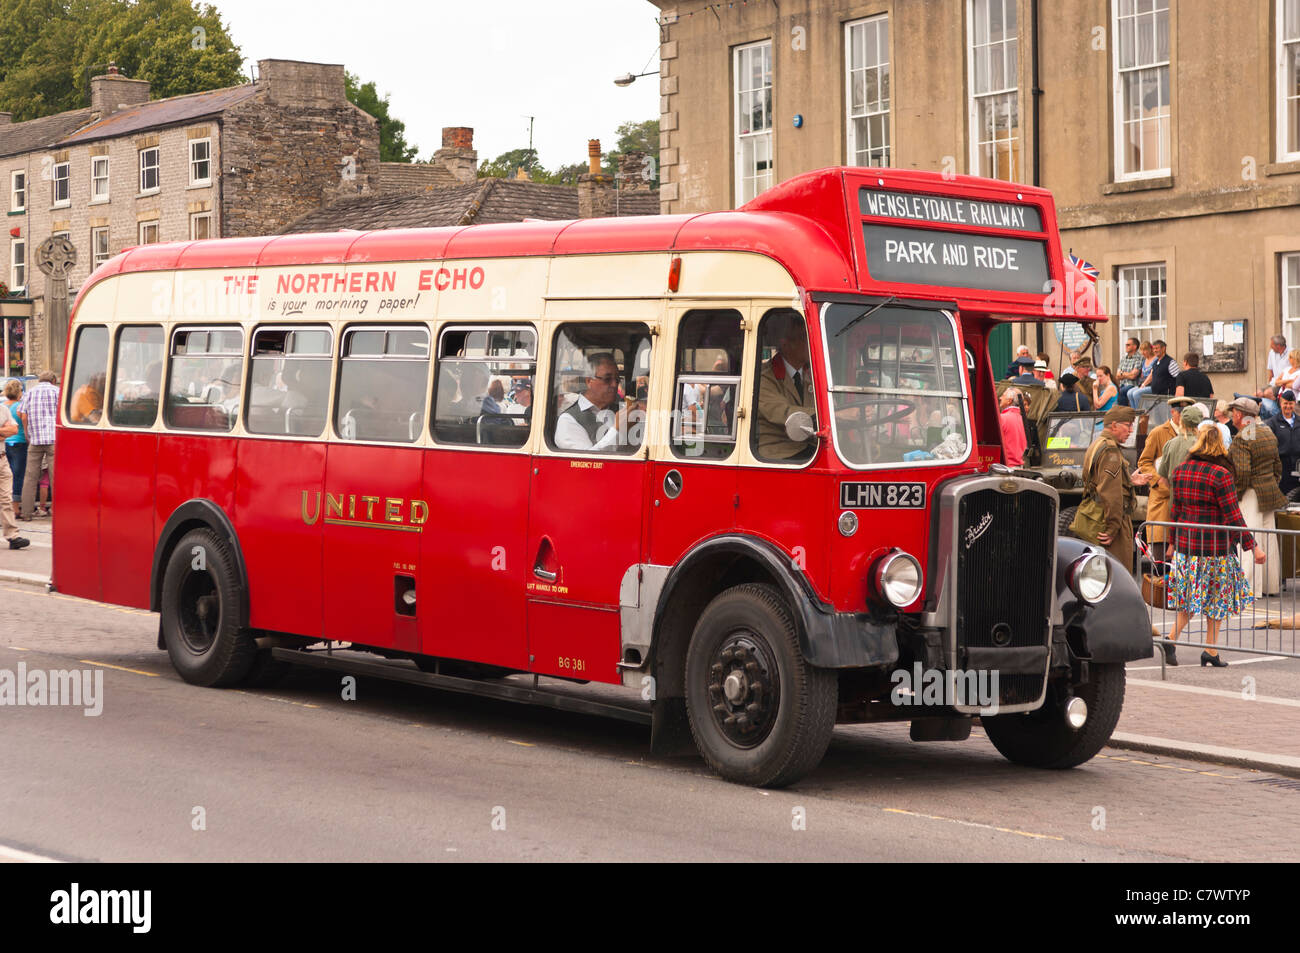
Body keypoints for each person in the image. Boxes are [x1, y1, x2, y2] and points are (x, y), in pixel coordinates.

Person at [1164, 425, 1259, 668]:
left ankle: (1195, 646)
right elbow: (1234, 516)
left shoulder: (1180, 471)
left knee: (1189, 600)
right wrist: (1253, 546)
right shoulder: (1220, 475)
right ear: (1221, 446)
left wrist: (1172, 543)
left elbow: (1175, 511)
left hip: (1187, 548)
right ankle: (1202, 647)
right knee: (1216, 600)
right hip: (1215, 549)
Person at [1228, 396, 1286, 598]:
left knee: (1249, 541)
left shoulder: (1244, 436)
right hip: (1269, 490)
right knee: (1269, 540)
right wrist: (1271, 481)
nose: (1231, 416)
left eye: (1233, 412)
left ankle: (1249, 588)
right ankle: (1270, 586)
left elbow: (1242, 472)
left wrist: (1236, 494)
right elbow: (1278, 466)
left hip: (1251, 492)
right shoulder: (1267, 432)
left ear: (1239, 415)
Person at [1085, 405, 1146, 572]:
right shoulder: (1110, 450)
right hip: (1111, 522)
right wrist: (1113, 527)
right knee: (1117, 575)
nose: (1131, 430)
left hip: (1100, 518)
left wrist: (1129, 480)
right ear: (1114, 425)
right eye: (1127, 425)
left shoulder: (1098, 444)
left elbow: (1103, 481)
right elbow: (1110, 494)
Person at [1137, 395, 1191, 561]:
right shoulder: (1158, 432)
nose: (1183, 416)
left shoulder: (1192, 434)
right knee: (1161, 561)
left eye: (1186, 413)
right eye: (1180, 412)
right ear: (1173, 412)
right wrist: (1157, 480)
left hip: (1183, 501)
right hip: (1162, 502)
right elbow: (1144, 461)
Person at [756, 314, 817, 460]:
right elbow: (782, 412)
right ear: (785, 344)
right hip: (778, 451)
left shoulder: (811, 375)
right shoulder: (764, 376)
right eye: (804, 338)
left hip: (810, 447)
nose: (811, 343)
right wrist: (825, 417)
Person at [554, 352, 633, 452]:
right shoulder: (568, 420)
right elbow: (588, 462)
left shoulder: (621, 408)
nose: (614, 385)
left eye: (617, 380)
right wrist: (618, 428)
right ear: (589, 381)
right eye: (607, 379)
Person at [18, 371, 57, 521]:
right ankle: (57, 510)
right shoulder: (57, 391)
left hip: (35, 440)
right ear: (53, 380)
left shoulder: (30, 393)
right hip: (54, 439)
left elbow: (22, 414)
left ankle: (26, 513)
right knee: (55, 477)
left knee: (30, 477)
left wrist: (27, 434)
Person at [0, 399, 30, 549]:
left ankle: (13, 536)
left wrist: (4, 431)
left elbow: (14, 430)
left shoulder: (3, 409)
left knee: (6, 498)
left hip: (2, 459)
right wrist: (2, 430)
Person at [1265, 389, 1300, 496]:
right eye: (1285, 403)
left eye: (1290, 403)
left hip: (1298, 466)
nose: (1288, 406)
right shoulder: (1272, 423)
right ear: (1280, 403)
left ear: (1294, 404)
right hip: (1281, 468)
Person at [1127, 339, 1179, 407]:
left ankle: (1141, 415)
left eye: (1157, 348)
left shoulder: (1170, 362)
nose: (1155, 350)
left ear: (1163, 348)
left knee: (1136, 394)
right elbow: (1152, 375)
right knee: (1129, 393)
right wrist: (1143, 384)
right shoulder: (1156, 362)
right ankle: (1135, 414)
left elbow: (1178, 378)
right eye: (1154, 349)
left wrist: (1176, 394)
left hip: (1165, 394)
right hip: (1155, 390)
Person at [3, 380, 26, 521]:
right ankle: (15, 508)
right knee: (17, 476)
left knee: (6, 477)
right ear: (18, 392)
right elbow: (24, 422)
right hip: (19, 443)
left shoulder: (2, 406)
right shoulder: (20, 406)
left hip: (5, 443)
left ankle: (6, 506)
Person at [999, 387, 1028, 466]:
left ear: (1009, 401)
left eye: (1003, 395)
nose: (1000, 398)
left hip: (1006, 468)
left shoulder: (1002, 418)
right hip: (1020, 467)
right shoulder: (1023, 420)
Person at [1116, 337, 1144, 406]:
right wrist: (1127, 374)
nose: (1126, 346)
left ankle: (1124, 414)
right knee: (1114, 391)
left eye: (1128, 345)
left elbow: (1133, 376)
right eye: (1126, 345)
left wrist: (1122, 373)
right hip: (1122, 384)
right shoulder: (1124, 358)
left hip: (1133, 385)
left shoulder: (1139, 358)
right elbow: (1117, 376)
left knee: (1122, 391)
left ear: (1134, 346)